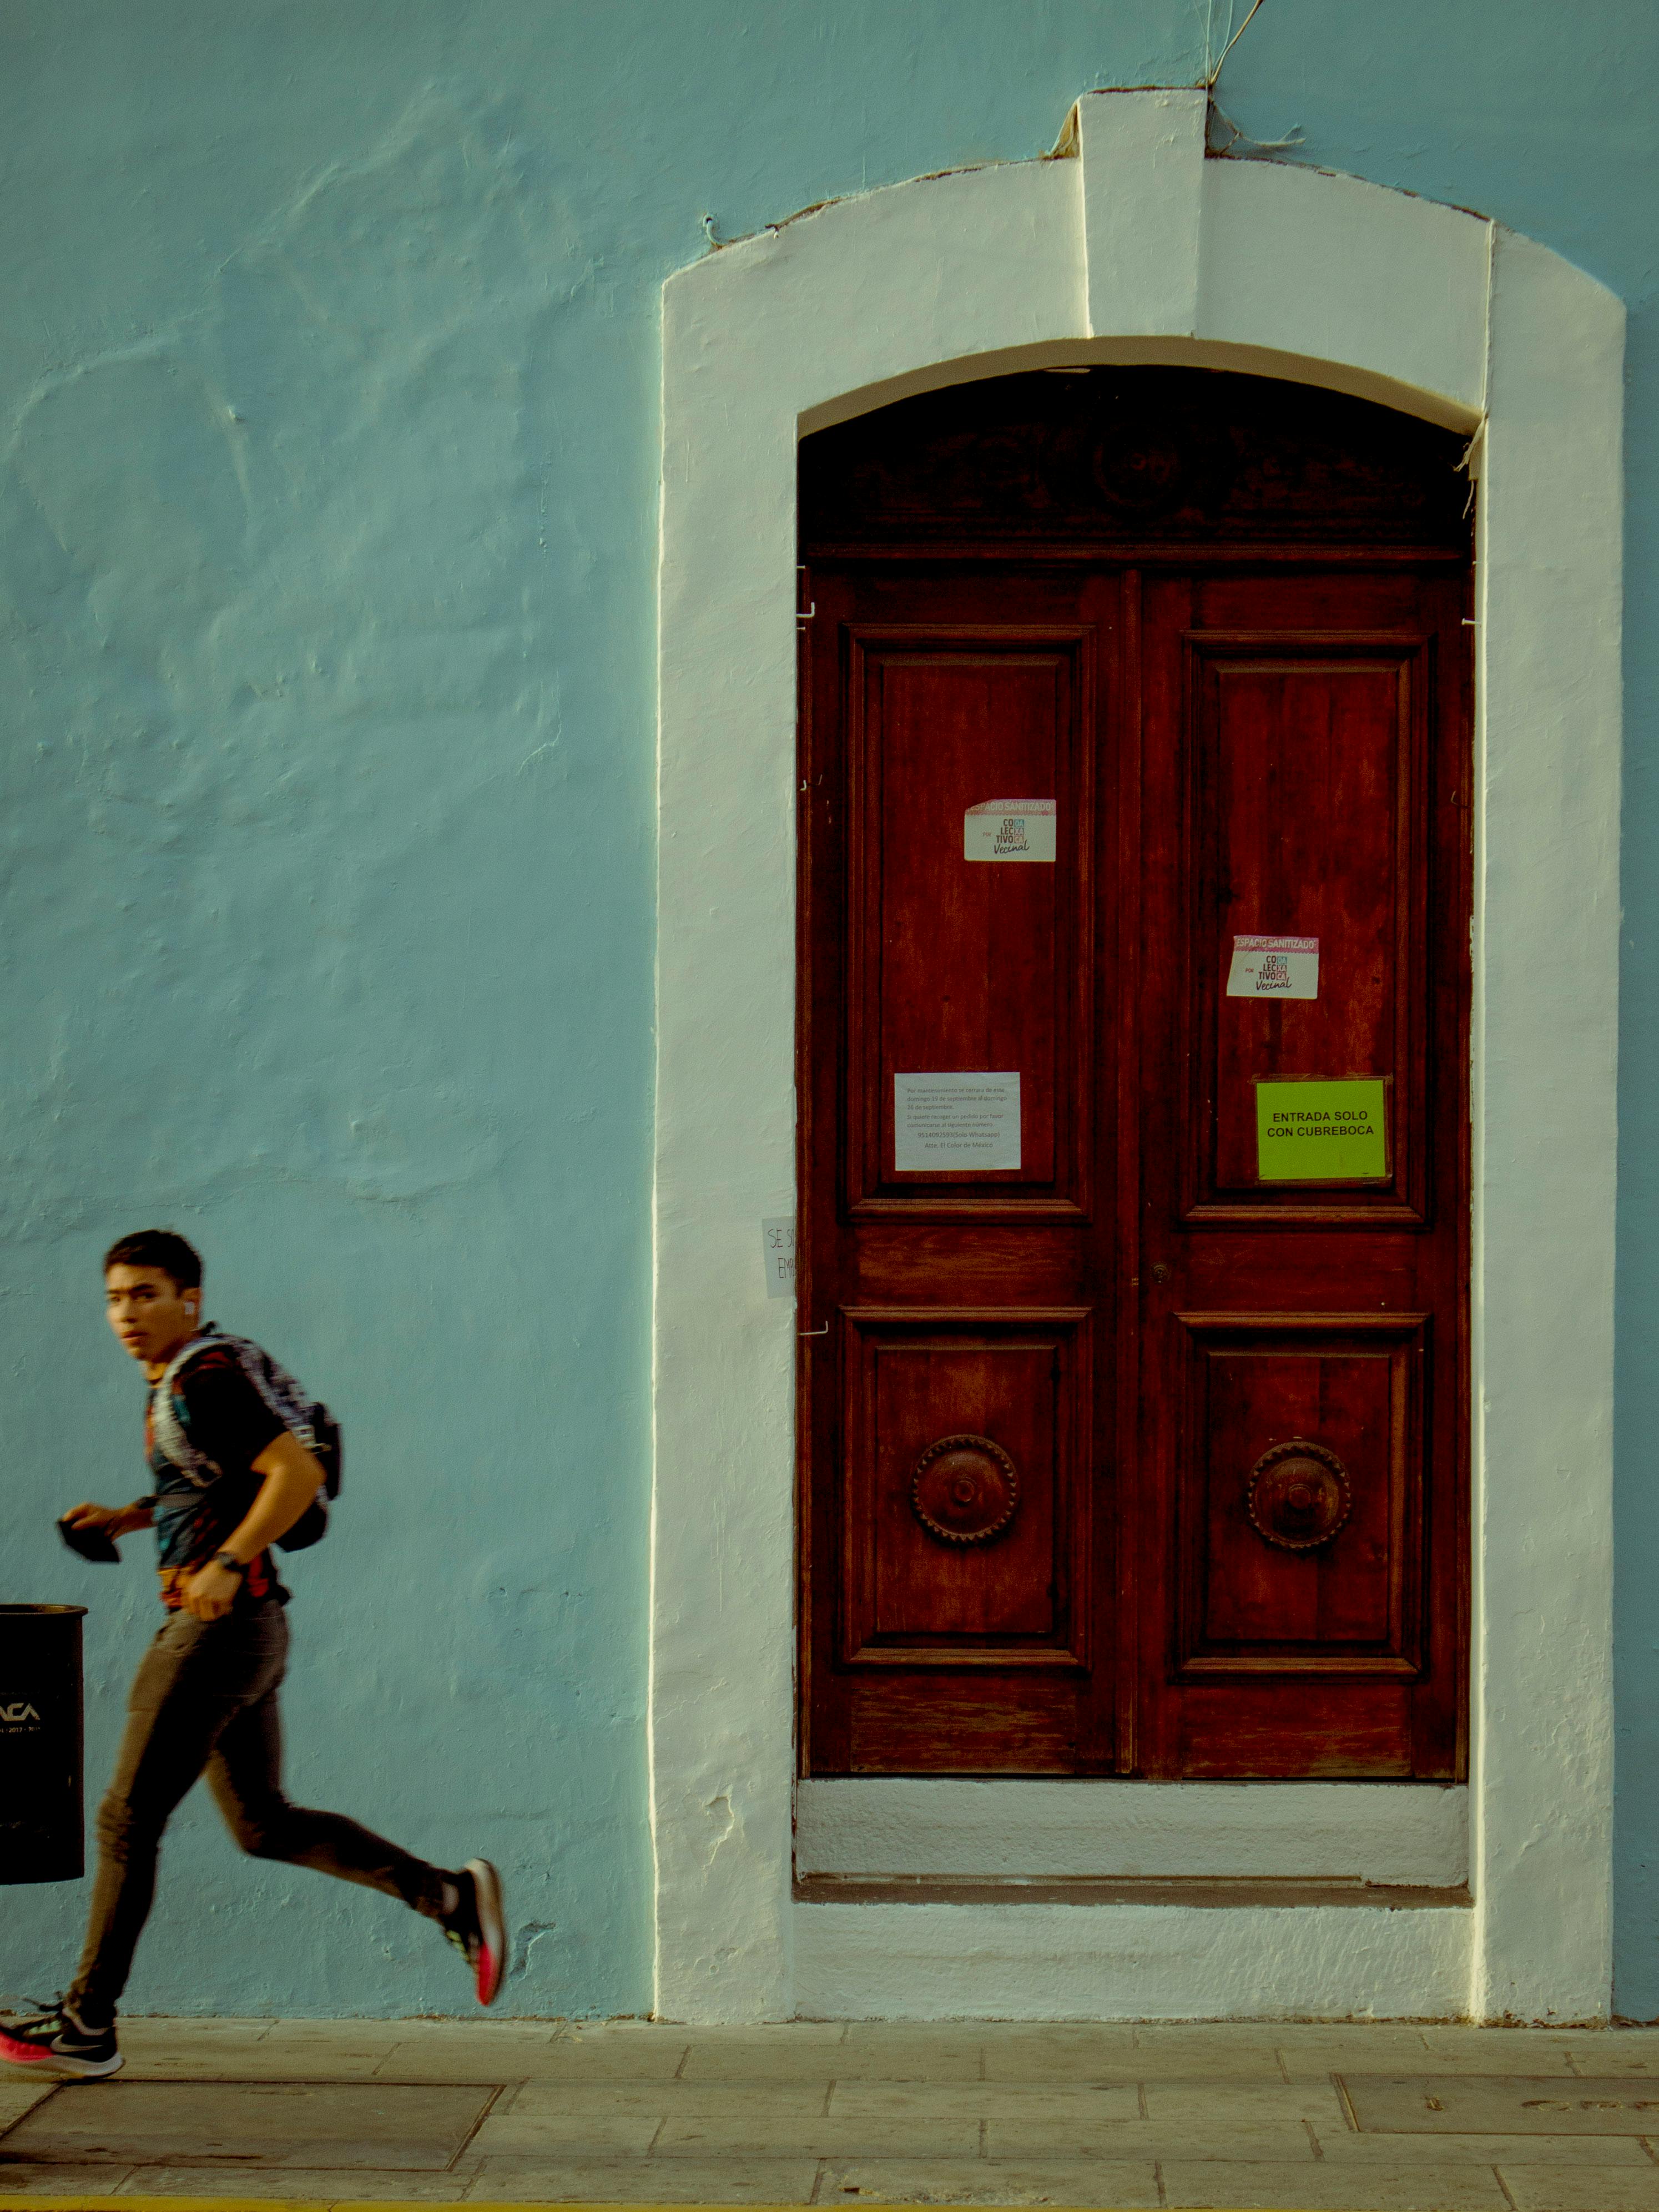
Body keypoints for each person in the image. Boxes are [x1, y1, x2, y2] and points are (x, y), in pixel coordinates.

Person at [1, 1230, 505, 2079]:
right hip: (254, 1629)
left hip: (218, 1628)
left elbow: (294, 1474)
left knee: (128, 1820)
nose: (128, 1312)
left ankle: (87, 2022)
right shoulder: (193, 1372)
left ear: (188, 1298)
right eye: (117, 1296)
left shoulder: (204, 1379)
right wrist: (133, 1516)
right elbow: (220, 1477)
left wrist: (228, 1562)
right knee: (263, 1822)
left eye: (147, 1293)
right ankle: (449, 1895)